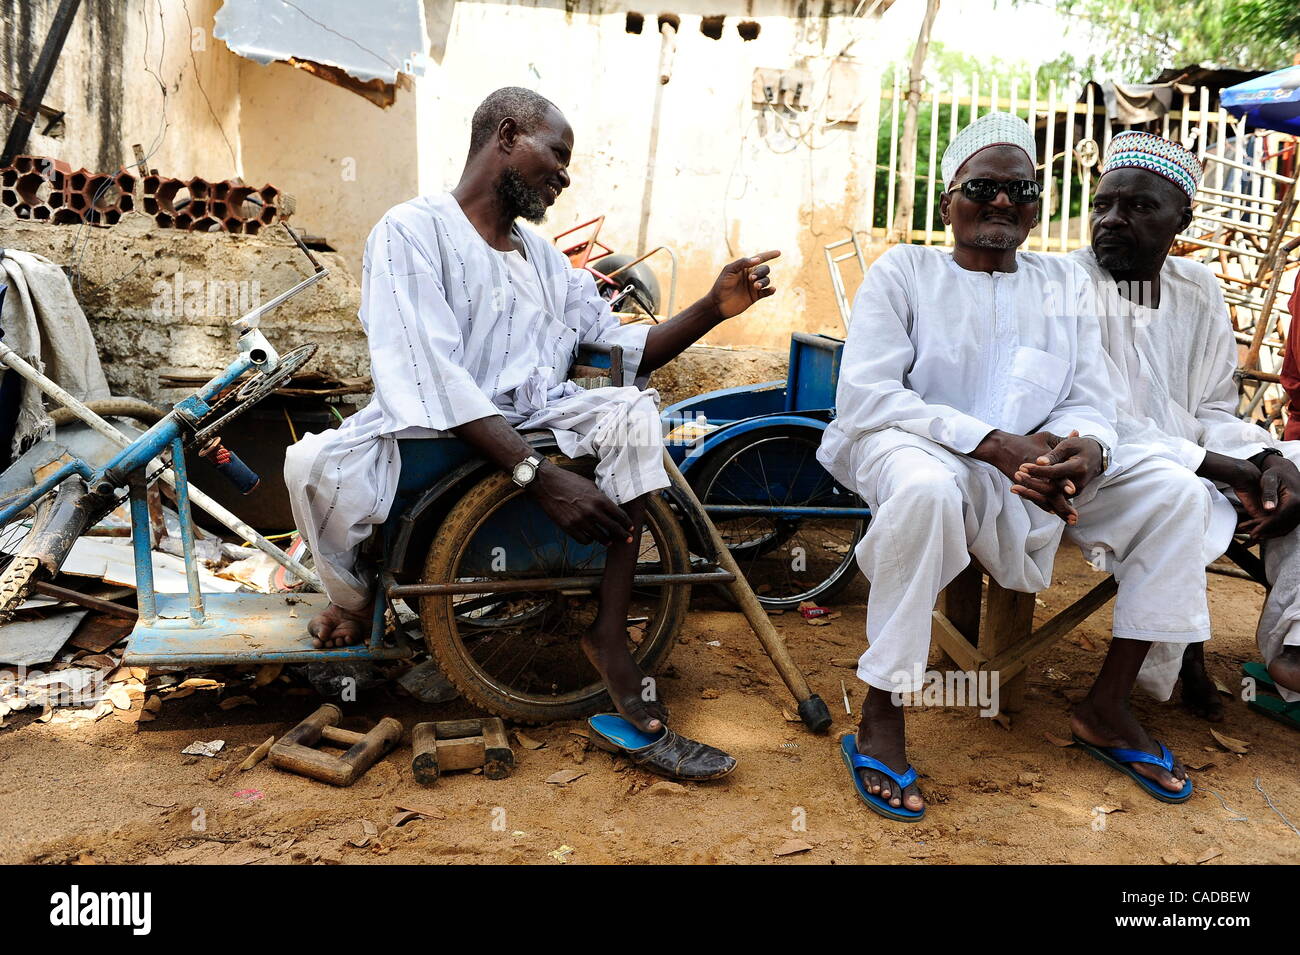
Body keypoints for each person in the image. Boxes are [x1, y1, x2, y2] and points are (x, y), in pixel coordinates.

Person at [285, 87, 779, 749]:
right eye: (559, 154)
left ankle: (609, 629)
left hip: (538, 422)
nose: (566, 175)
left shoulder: (545, 261)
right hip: (435, 438)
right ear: (509, 135)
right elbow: (429, 376)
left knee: (631, 409)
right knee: (315, 465)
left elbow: (616, 353)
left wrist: (711, 308)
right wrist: (539, 475)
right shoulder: (412, 233)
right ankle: (356, 600)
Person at [818, 112, 1212, 820]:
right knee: (928, 490)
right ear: (949, 200)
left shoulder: (1059, 282)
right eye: (984, 186)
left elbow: (1092, 395)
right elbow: (870, 394)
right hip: (915, 444)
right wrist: (992, 442)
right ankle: (882, 706)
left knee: (1176, 494)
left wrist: (1085, 450)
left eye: (1020, 189)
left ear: (1037, 206)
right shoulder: (905, 270)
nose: (1002, 201)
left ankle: (1107, 705)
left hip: (1032, 465)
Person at [1067, 131, 1300, 717]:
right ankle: (1180, 658)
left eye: (1140, 206)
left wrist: (1268, 460)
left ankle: (1295, 644)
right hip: (1106, 466)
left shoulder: (1197, 288)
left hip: (1202, 455)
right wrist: (1228, 467)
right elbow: (1099, 420)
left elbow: (1214, 409)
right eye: (1104, 205)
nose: (1114, 220)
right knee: (1182, 493)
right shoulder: (1067, 285)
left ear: (1182, 218)